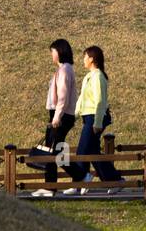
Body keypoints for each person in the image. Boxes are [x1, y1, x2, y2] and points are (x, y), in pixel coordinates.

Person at [66, 45, 124, 195]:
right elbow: (81, 100)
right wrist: (73, 117)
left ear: (91, 59)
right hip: (88, 117)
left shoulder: (98, 76)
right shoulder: (89, 77)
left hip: (94, 117)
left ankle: (80, 182)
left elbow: (100, 101)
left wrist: (98, 122)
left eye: (85, 57)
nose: (83, 60)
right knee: (92, 151)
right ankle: (115, 180)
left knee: (82, 151)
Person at [33, 39, 80, 197]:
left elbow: (63, 97)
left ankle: (53, 186)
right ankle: (54, 185)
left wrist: (57, 117)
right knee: (55, 149)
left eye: (53, 51)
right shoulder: (64, 70)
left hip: (61, 115)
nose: (51, 55)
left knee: (52, 151)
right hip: (59, 114)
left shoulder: (65, 70)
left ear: (60, 52)